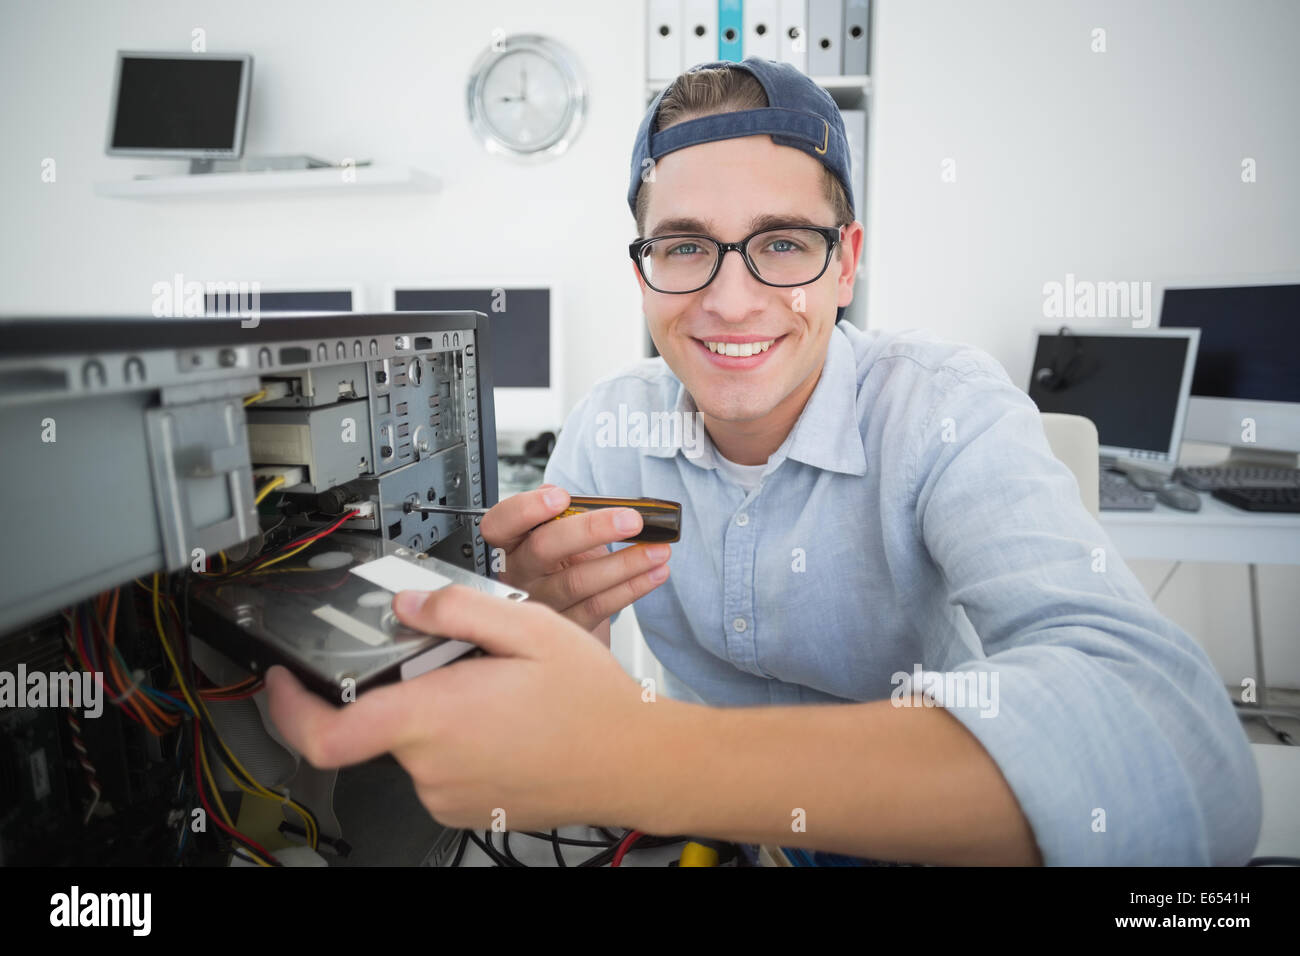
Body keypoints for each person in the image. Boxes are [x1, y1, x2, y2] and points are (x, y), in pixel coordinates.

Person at [266, 58, 1261, 865]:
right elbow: (562, 663)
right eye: (685, 245)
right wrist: (540, 625)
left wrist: (642, 756)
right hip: (727, 831)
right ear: (643, 266)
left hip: (944, 829)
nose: (731, 301)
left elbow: (1187, 758)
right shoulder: (616, 429)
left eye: (782, 244)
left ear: (847, 260)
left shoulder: (942, 409)